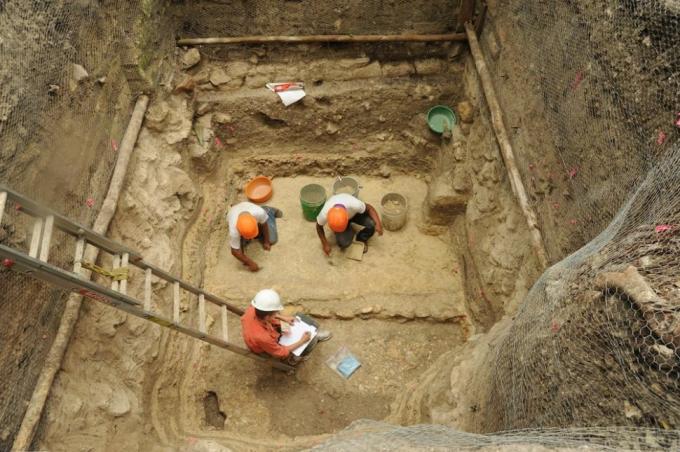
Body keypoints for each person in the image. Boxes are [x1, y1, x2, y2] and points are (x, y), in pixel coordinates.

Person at [241, 289, 332, 365]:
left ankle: (312, 333)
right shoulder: (263, 337)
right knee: (310, 343)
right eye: (275, 313)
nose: (277, 313)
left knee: (299, 318)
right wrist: (302, 341)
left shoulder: (254, 308)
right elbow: (280, 353)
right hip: (267, 347)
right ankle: (293, 359)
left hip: (269, 330)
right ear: (267, 316)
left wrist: (283, 318)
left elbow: (268, 317)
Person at [316, 193, 383, 255]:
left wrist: (378, 224)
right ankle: (349, 231)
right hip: (345, 217)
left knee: (371, 224)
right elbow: (319, 226)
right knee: (343, 243)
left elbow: (369, 208)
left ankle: (361, 238)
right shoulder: (324, 213)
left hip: (355, 214)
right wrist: (324, 243)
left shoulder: (354, 204)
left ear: (347, 216)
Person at [227, 201, 281, 272]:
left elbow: (264, 224)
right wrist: (250, 263)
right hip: (234, 211)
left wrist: (266, 242)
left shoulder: (259, 213)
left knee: (272, 239)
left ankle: (269, 211)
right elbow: (234, 251)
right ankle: (235, 206)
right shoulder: (234, 230)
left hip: (252, 209)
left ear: (256, 222)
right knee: (240, 249)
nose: (251, 239)